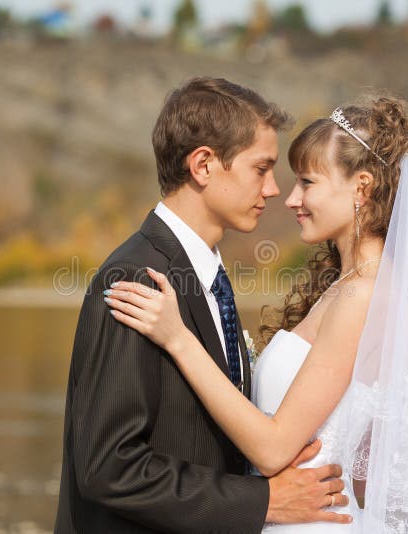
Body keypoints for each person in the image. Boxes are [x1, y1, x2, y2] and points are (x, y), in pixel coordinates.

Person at [105, 95, 408, 533]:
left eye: (307, 183)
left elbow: (273, 450)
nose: (289, 199)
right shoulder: (347, 289)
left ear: (362, 187)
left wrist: (178, 339)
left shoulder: (362, 296)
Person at [54, 77, 352, 534]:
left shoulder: (206, 274)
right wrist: (264, 502)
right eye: (261, 168)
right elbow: (109, 468)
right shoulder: (138, 277)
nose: (273, 189)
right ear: (204, 165)